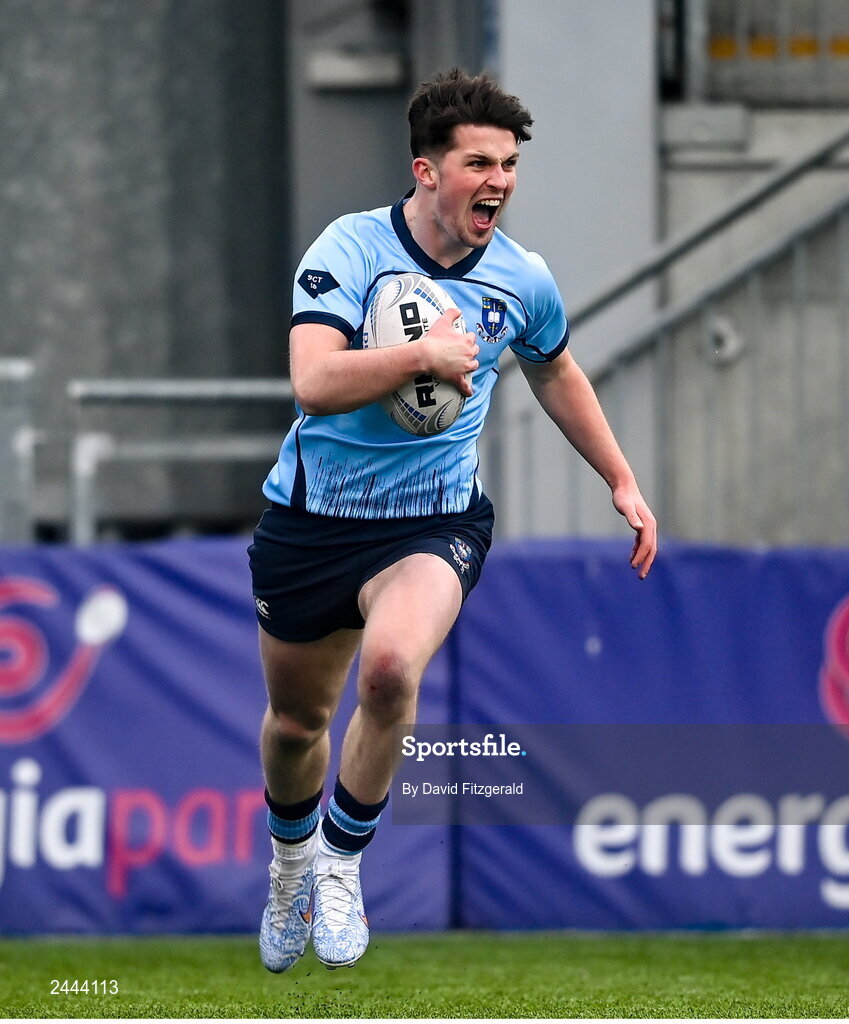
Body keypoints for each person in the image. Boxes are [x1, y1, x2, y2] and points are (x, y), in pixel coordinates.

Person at [249, 67, 657, 973]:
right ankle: (290, 867)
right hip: (313, 520)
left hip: (433, 522)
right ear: (426, 171)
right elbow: (312, 383)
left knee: (391, 670)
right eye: (479, 163)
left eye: (508, 164)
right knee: (294, 725)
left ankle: (345, 867)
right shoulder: (350, 250)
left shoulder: (522, 277)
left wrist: (620, 478)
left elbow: (554, 370)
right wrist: (416, 356)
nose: (499, 182)